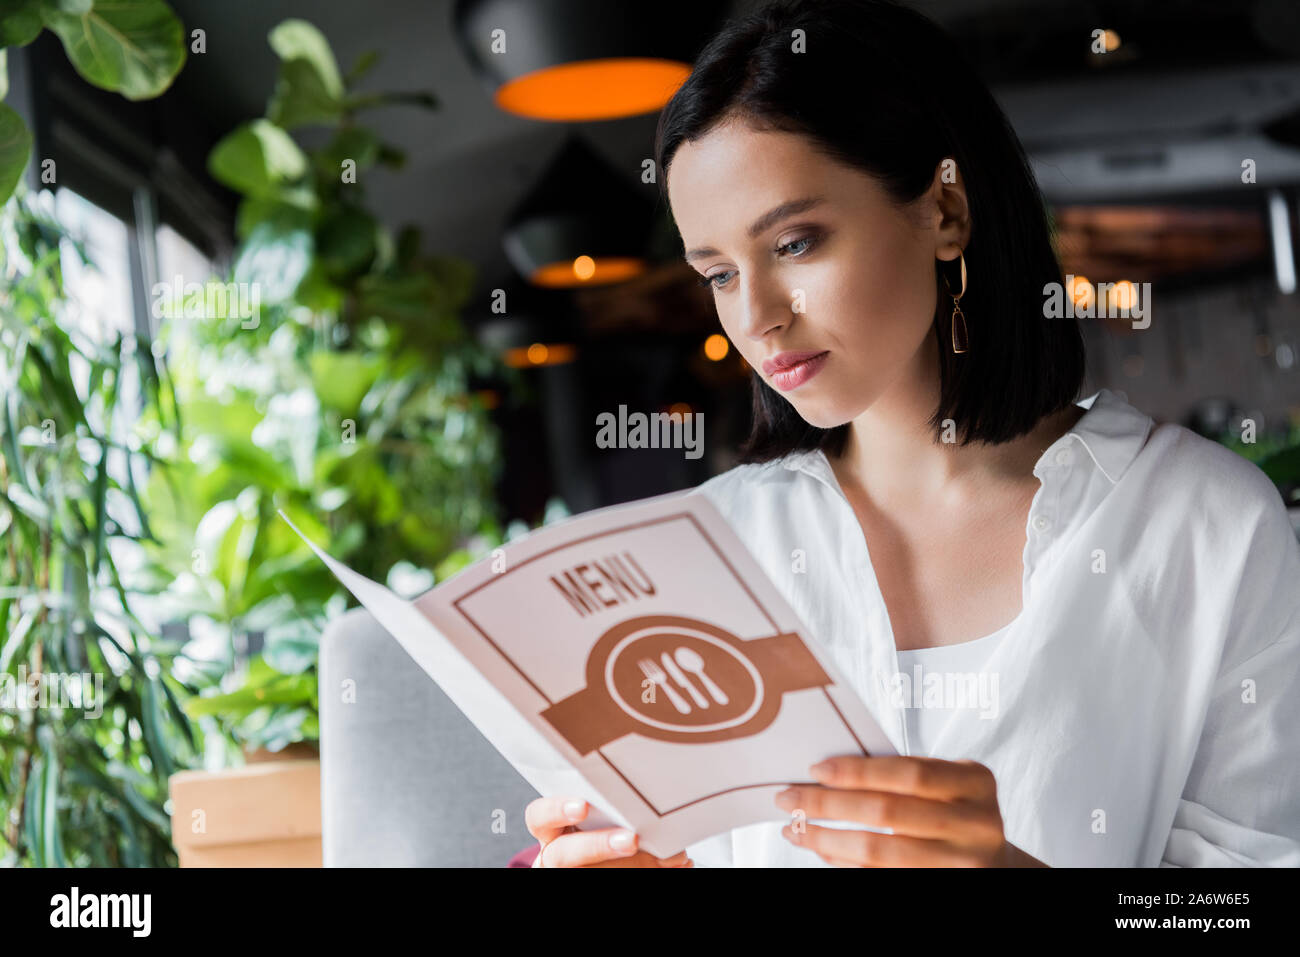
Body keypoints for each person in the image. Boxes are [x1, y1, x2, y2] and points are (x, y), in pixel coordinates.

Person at [525, 0, 1300, 867]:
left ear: (945, 210)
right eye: (717, 273)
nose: (757, 317)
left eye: (794, 244)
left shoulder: (1205, 525)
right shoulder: (703, 553)